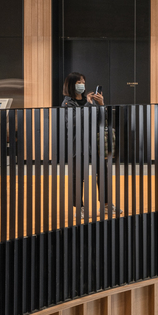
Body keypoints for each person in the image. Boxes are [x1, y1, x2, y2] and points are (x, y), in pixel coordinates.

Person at [60, 71, 112, 217]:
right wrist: (89, 105)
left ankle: (107, 204)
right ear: (71, 85)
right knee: (78, 176)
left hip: (94, 142)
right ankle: (79, 208)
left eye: (83, 82)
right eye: (78, 82)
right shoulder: (67, 103)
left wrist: (101, 104)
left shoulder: (89, 100)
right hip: (77, 144)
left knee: (102, 173)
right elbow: (73, 121)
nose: (82, 85)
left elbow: (101, 119)